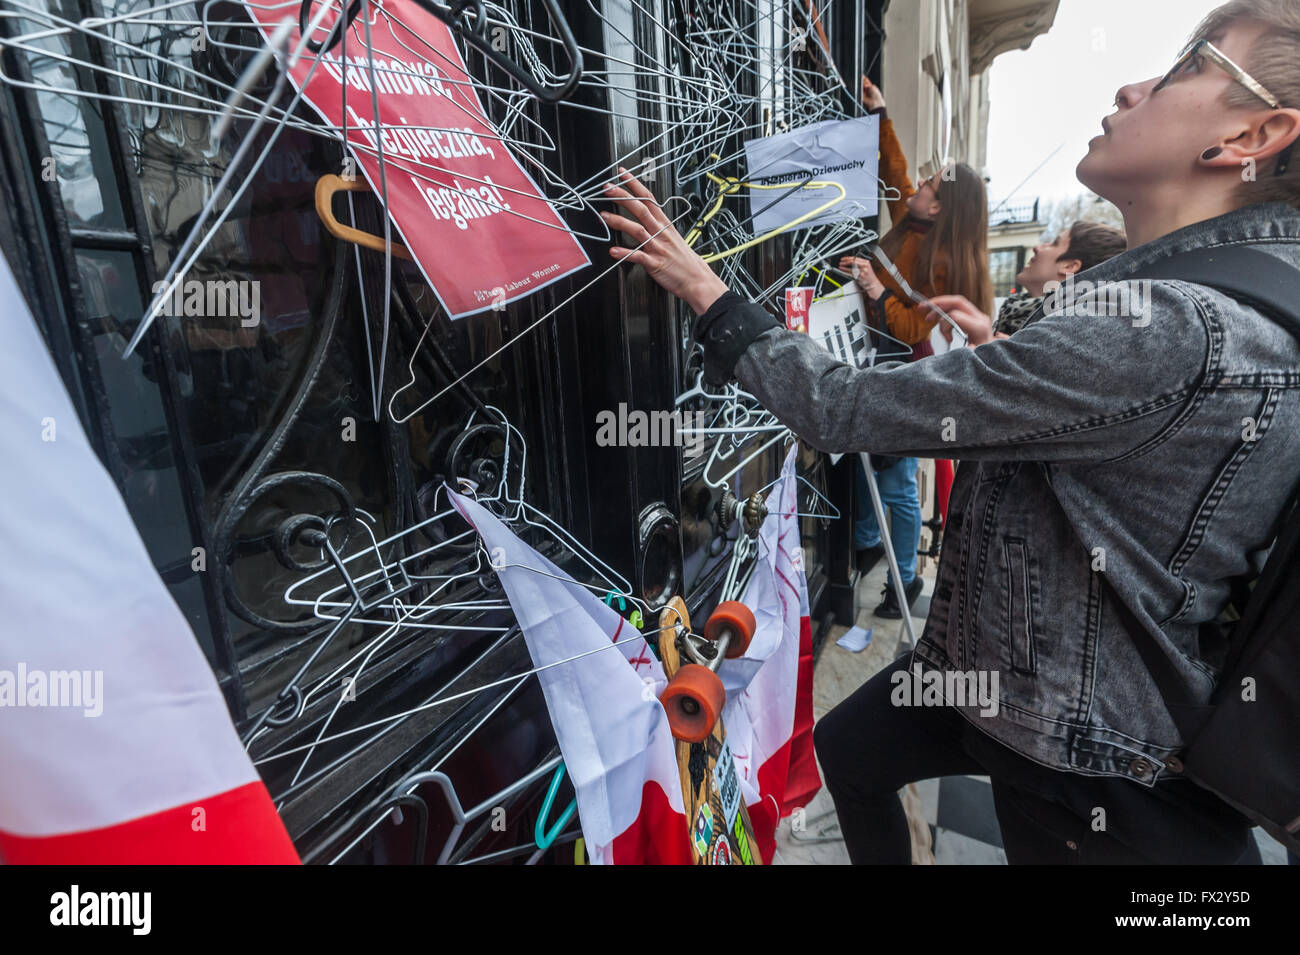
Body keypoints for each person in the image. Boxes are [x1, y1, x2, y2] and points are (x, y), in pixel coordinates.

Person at [600, 0, 1300, 863]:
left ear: (1253, 135)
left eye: (1192, 64)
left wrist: (709, 294)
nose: (1132, 86)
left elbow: (842, 408)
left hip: (1079, 751)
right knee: (851, 754)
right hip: (999, 678)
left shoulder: (1166, 326)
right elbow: (1121, 435)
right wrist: (1001, 349)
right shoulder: (1240, 301)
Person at [842, 78, 995, 618]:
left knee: (898, 480)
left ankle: (904, 581)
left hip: (907, 371)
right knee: (877, 468)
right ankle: (866, 547)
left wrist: (875, 287)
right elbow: (893, 172)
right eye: (926, 182)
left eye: (929, 188)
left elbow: (911, 329)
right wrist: (880, 113)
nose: (917, 190)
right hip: (880, 363)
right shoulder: (916, 221)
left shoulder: (946, 260)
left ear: (942, 209)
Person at [994, 220, 1127, 336]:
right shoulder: (1011, 313)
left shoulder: (1063, 330)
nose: (1037, 248)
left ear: (1069, 266)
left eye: (1053, 243)